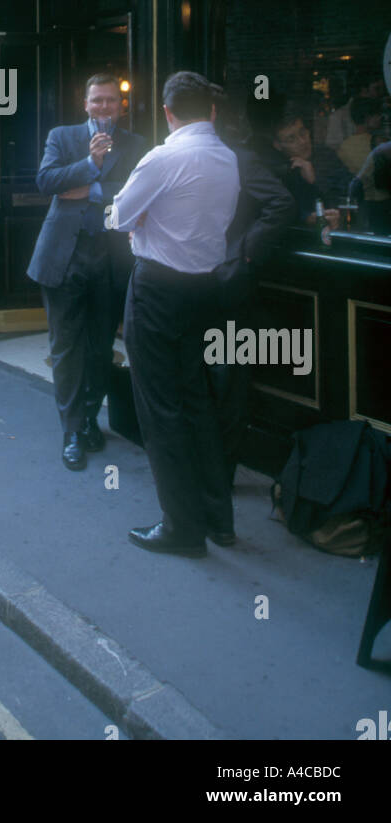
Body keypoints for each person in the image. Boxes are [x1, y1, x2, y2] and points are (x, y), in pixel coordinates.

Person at [108, 71, 240, 557]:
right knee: (198, 401)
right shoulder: (226, 157)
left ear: (167, 113)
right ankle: (218, 521)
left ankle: (181, 530)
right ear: (211, 111)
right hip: (204, 290)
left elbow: (118, 217)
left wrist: (141, 219)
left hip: (158, 290)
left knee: (160, 410)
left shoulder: (163, 157)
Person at [27, 74, 146, 470]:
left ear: (121, 106)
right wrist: (90, 164)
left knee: (99, 349)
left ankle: (91, 417)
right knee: (66, 347)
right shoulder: (62, 137)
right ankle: (72, 431)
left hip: (111, 259)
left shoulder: (136, 145)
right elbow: (46, 181)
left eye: (111, 101)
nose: (104, 108)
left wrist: (87, 189)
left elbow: (135, 193)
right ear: (85, 104)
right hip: (65, 256)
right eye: (97, 101)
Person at [212, 102, 296, 483]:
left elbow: (281, 203)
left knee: (229, 377)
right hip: (187, 282)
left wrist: (245, 251)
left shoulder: (240, 159)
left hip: (228, 281)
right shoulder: (180, 157)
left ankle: (223, 468)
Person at [271, 104, 350, 228]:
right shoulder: (279, 172)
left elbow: (349, 193)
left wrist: (314, 181)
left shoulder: (327, 156)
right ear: (278, 145)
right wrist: (306, 219)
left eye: (303, 133)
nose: (302, 141)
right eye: (292, 139)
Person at [326, 73, 384, 152]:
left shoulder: (382, 112)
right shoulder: (338, 116)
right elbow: (333, 148)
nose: (380, 93)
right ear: (364, 89)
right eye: (376, 88)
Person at [337, 97, 382, 175]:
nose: (380, 118)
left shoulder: (343, 146)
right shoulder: (380, 142)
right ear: (367, 118)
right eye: (377, 114)